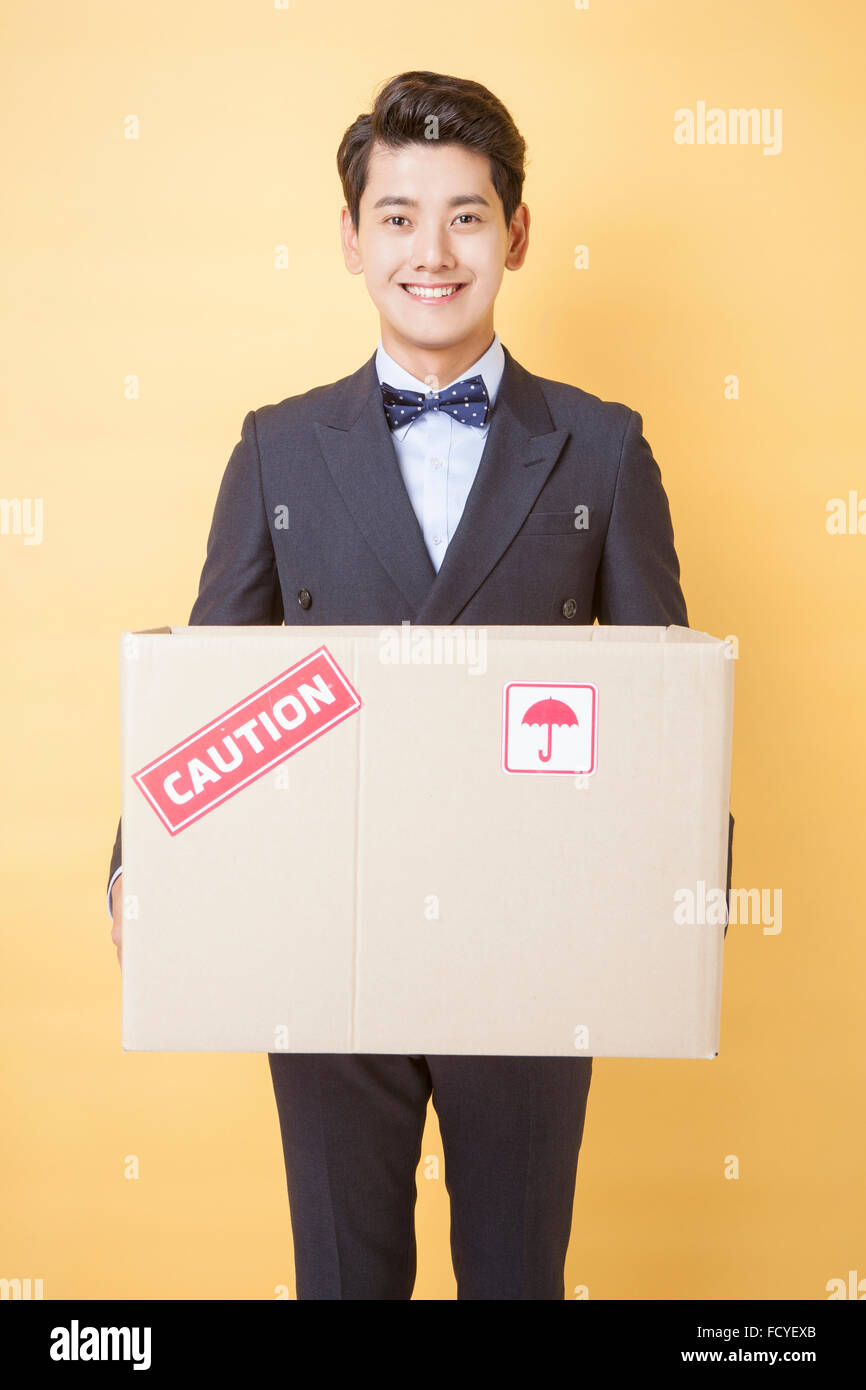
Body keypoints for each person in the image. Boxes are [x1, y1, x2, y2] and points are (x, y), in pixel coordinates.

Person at [107, 69, 734, 1300]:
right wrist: (145, 861)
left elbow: (669, 705)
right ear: (350, 239)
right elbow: (215, 682)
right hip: (324, 932)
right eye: (396, 216)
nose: (431, 251)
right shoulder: (277, 446)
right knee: (343, 1281)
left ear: (515, 234)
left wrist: (689, 887)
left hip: (539, 941)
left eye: (464, 214)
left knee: (515, 1280)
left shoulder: (601, 445)